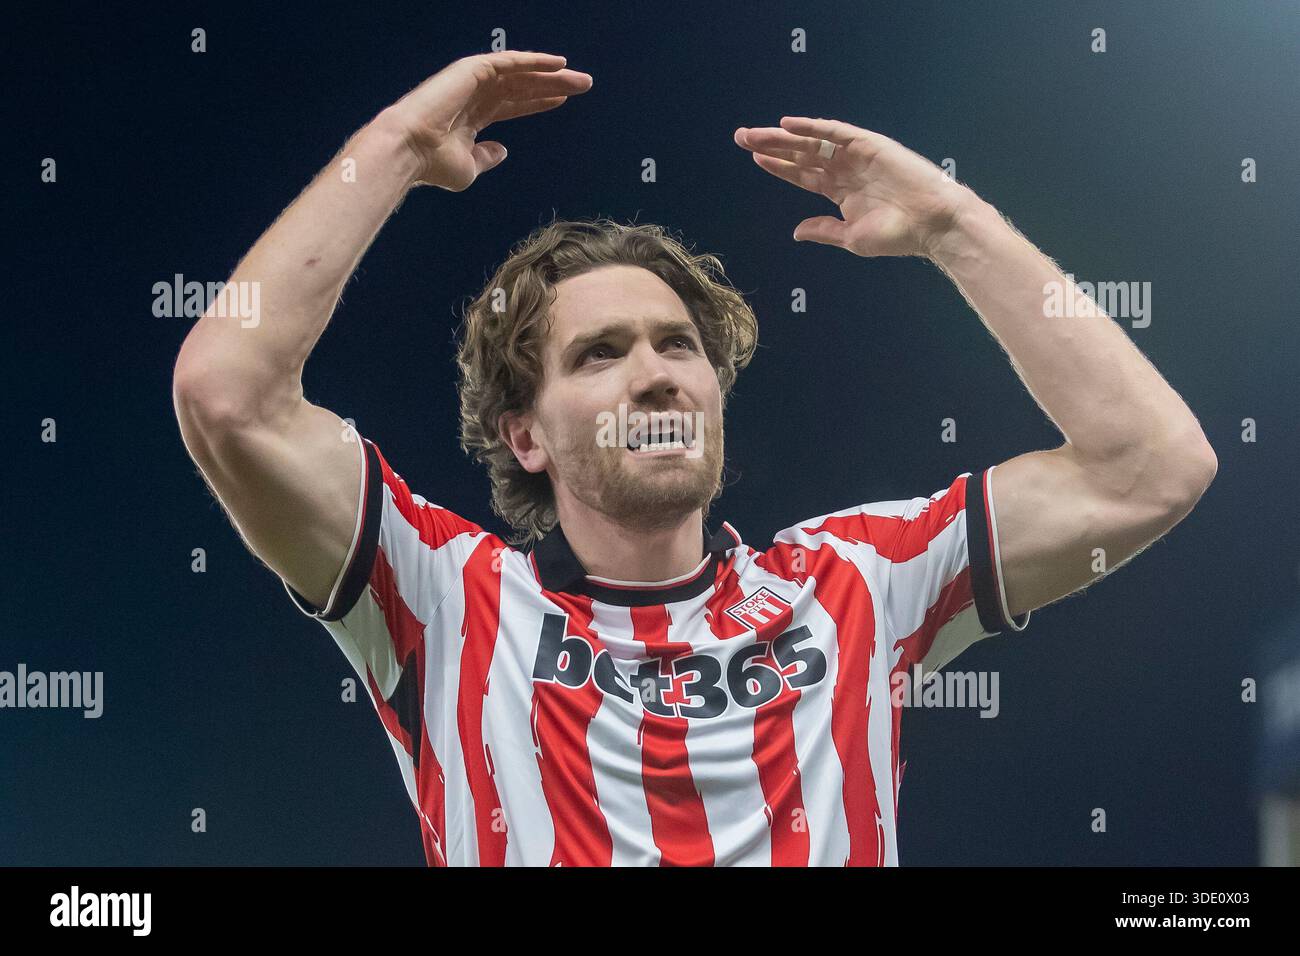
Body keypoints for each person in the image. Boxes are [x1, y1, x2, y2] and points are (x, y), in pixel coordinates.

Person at [172, 50, 1217, 866]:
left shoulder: (856, 582)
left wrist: (954, 223)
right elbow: (227, 395)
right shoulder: (445, 601)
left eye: (678, 346)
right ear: (524, 435)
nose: (656, 375)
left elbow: (1152, 466)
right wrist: (397, 144)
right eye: (600, 353)